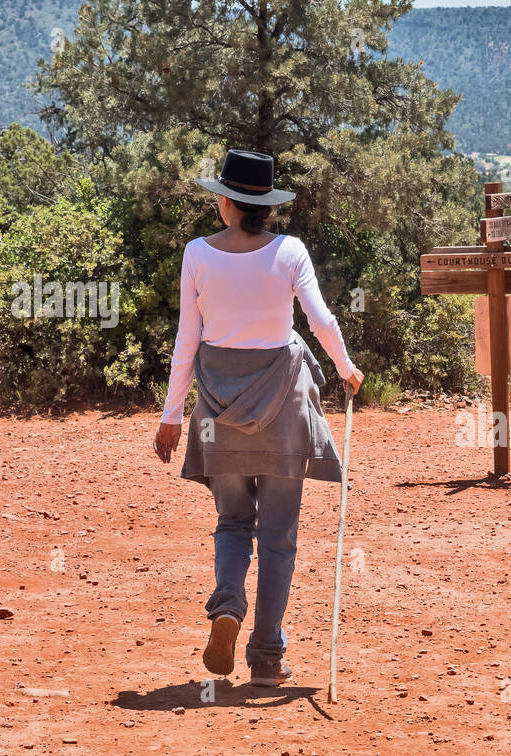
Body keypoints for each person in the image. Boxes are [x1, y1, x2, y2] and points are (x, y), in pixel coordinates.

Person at [153, 149, 364, 686]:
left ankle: (227, 607)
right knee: (278, 535)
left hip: (216, 411)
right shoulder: (290, 251)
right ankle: (267, 658)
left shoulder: (197, 254)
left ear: (227, 201)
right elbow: (320, 319)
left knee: (231, 522)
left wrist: (171, 415)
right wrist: (345, 366)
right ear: (264, 205)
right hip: (284, 409)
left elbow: (187, 341)